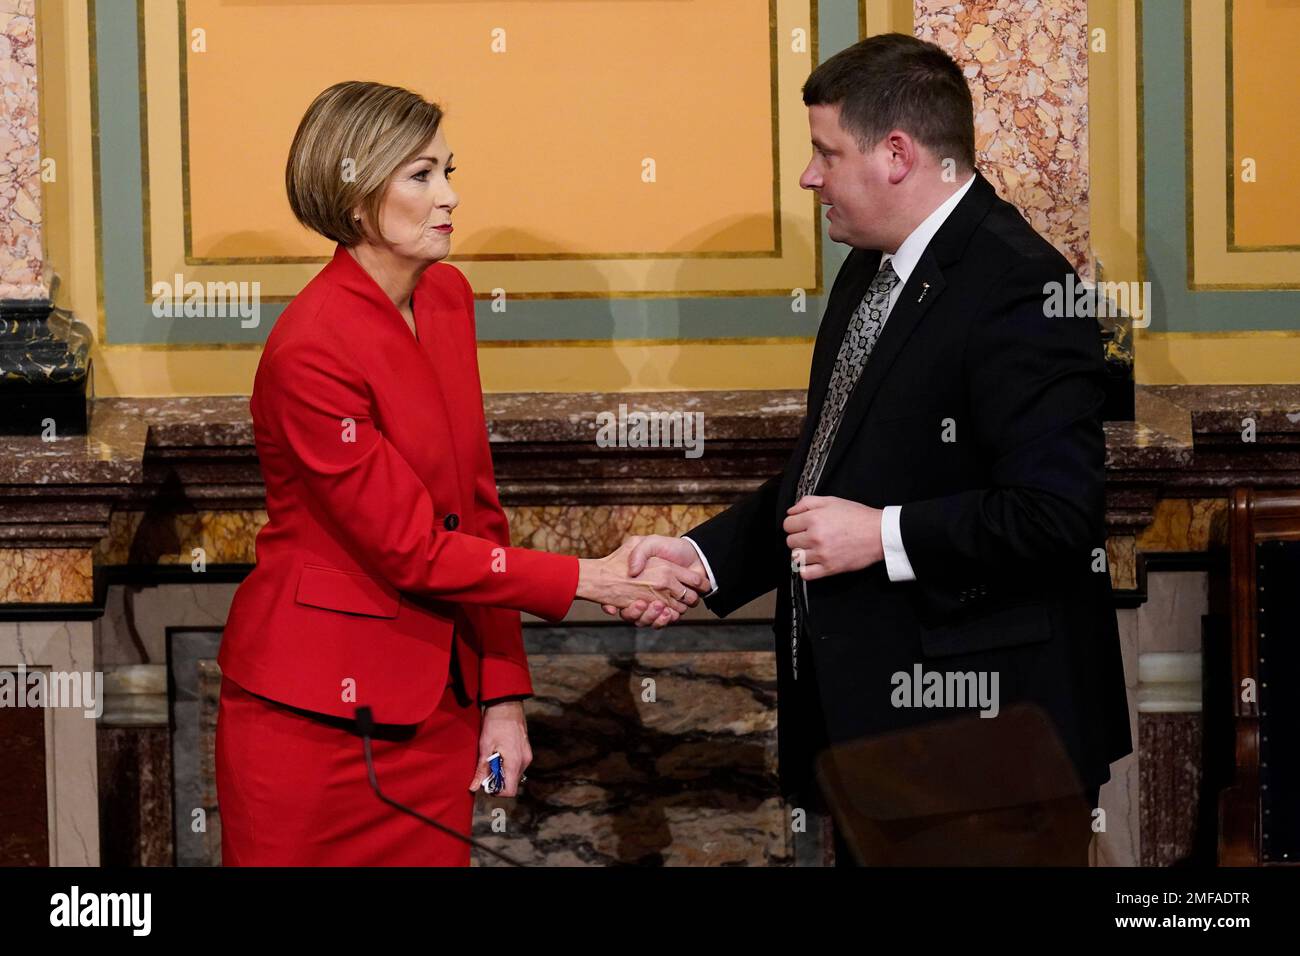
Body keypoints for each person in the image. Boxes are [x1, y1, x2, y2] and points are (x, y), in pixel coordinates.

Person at [607, 34, 1132, 865]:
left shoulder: (1023, 288)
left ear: (897, 154)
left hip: (990, 758)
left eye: (825, 151)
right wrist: (701, 558)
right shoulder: (870, 267)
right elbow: (830, 476)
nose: (809, 176)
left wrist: (883, 536)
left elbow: (1057, 513)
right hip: (876, 748)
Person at [215, 81, 702, 866]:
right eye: (422, 175)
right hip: (312, 728)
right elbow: (410, 548)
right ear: (355, 193)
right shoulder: (311, 347)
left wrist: (502, 699)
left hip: (435, 719)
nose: (451, 196)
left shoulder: (446, 298)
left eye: (448, 171)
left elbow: (475, 511)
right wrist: (589, 578)